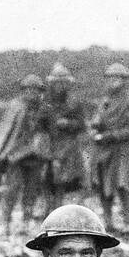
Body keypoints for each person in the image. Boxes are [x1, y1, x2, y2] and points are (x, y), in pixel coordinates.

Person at [87, 63, 129, 233]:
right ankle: (108, 222)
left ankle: (128, 221)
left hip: (122, 149)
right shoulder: (104, 101)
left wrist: (112, 135)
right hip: (103, 150)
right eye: (111, 78)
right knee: (103, 185)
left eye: (118, 78)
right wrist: (94, 129)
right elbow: (95, 121)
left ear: (124, 81)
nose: (114, 82)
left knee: (124, 184)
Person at [0, 74, 52, 234]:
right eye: (29, 90)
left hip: (36, 155)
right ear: (23, 91)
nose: (32, 93)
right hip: (15, 155)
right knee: (12, 189)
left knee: (31, 190)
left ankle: (26, 223)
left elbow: (50, 132)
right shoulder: (15, 107)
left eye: (36, 90)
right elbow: (5, 131)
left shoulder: (44, 109)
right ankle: (6, 224)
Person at [43, 63, 86, 202]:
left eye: (63, 83)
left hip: (68, 147)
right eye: (56, 83)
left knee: (66, 181)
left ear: (68, 84)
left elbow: (82, 125)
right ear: (51, 84)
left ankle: (61, 208)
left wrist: (68, 123)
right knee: (46, 180)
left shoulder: (74, 103)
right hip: (49, 146)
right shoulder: (45, 103)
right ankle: (49, 209)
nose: (59, 86)